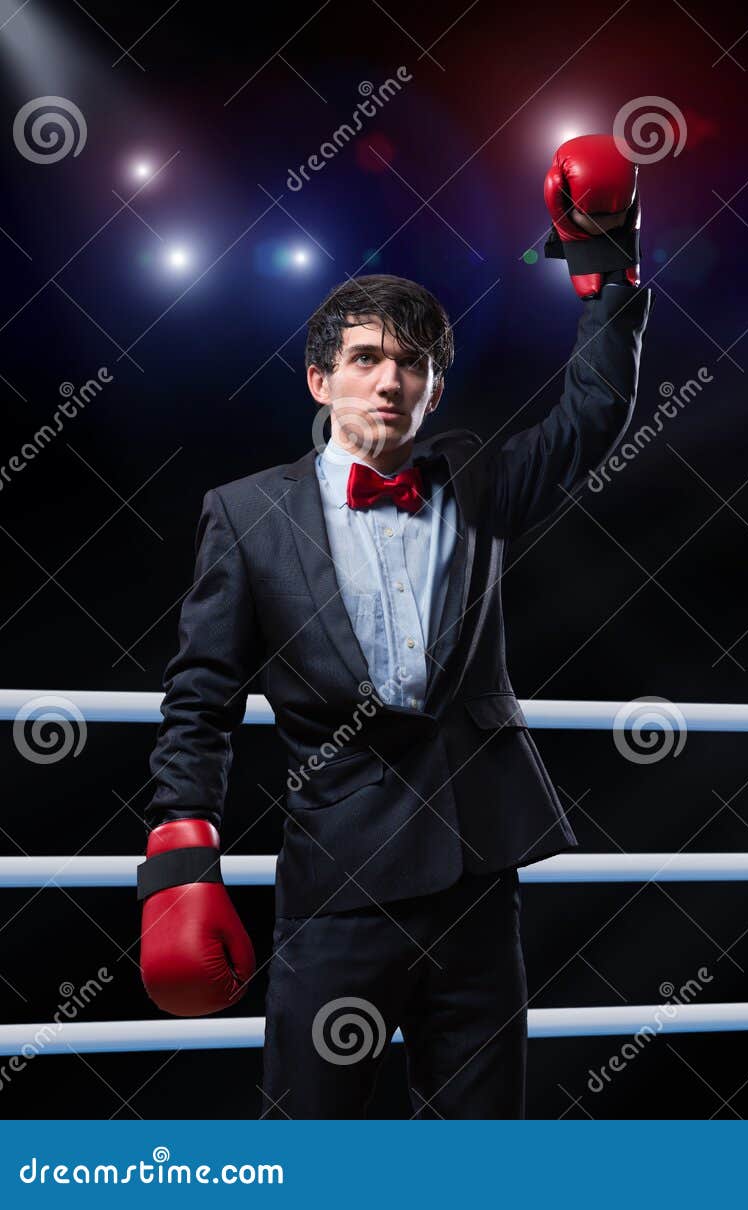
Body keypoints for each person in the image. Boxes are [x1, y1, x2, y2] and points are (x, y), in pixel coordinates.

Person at [136, 134, 651, 1118]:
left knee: (481, 1149)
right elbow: (199, 698)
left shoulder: (474, 484)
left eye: (412, 365)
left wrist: (606, 255)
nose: (389, 381)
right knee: (316, 1140)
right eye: (366, 359)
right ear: (319, 381)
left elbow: (594, 413)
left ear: (435, 388)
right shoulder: (246, 515)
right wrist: (180, 852)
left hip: (475, 878)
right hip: (339, 886)